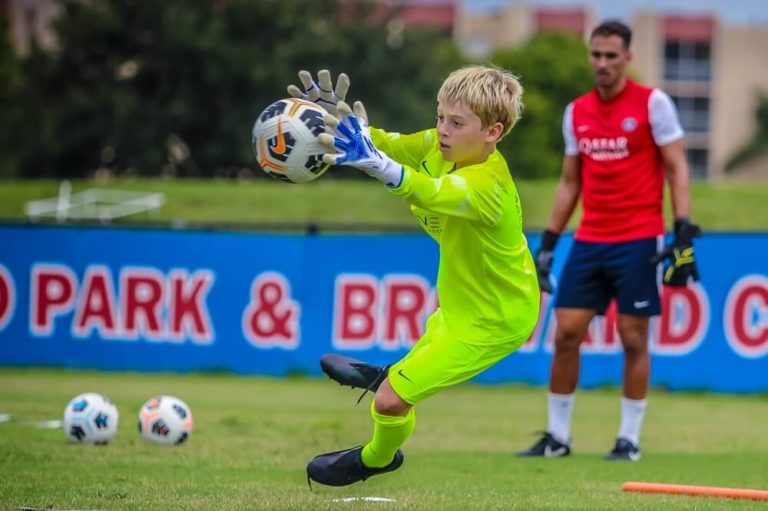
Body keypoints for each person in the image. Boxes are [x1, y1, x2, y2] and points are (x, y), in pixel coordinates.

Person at [288, 66, 540, 486]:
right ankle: (391, 375)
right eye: (440, 116)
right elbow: (389, 145)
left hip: (496, 320)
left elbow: (429, 191)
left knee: (390, 402)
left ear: (493, 132)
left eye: (456, 123)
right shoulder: (438, 145)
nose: (442, 130)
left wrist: (379, 166)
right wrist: (346, 127)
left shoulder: (487, 187)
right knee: (399, 388)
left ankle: (376, 458)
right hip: (461, 305)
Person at [517, 20, 701, 462]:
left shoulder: (653, 103)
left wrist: (682, 228)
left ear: (627, 58)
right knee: (566, 333)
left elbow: (677, 168)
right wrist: (549, 241)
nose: (602, 63)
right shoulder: (576, 111)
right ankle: (557, 438)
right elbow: (569, 183)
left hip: (639, 238)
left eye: (611, 55)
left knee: (633, 338)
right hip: (589, 239)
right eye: (596, 55)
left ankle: (628, 440)